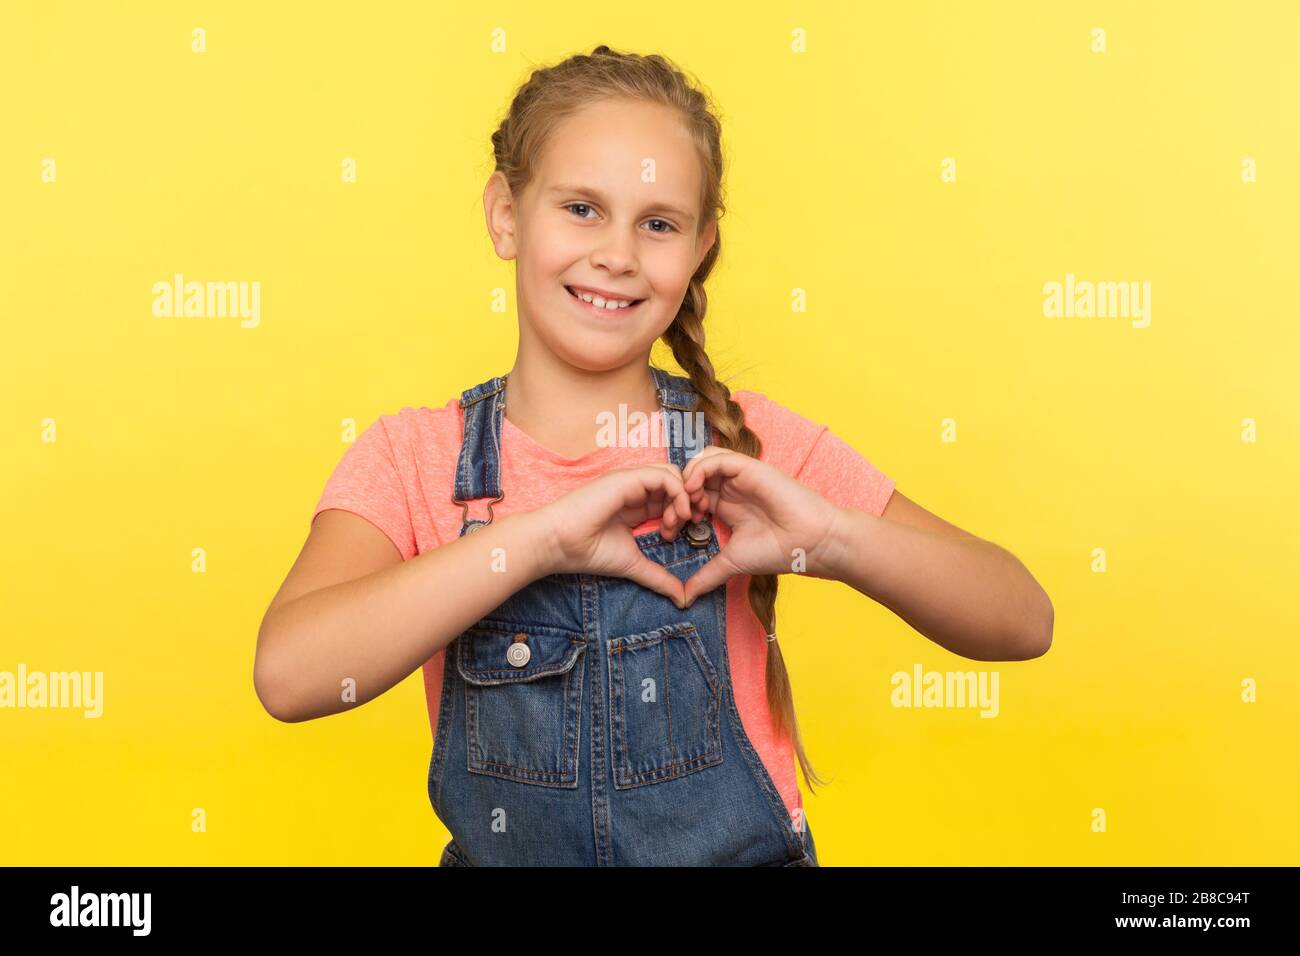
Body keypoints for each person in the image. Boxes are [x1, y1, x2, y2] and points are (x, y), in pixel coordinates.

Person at [253, 45, 1054, 866]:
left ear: (701, 246)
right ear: (505, 214)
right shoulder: (415, 459)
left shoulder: (743, 442)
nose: (619, 255)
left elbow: (1023, 620)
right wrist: (538, 542)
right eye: (581, 209)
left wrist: (837, 540)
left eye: (659, 223)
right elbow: (291, 678)